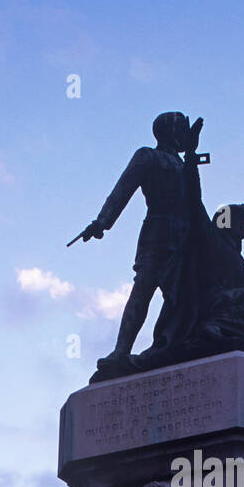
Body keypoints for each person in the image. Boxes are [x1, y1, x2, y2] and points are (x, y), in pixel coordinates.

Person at [76, 112, 204, 367]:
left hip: (185, 237)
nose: (184, 134)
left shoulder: (184, 163)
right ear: (169, 131)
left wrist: (191, 155)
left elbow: (195, 202)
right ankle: (120, 351)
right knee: (143, 290)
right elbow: (123, 189)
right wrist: (103, 222)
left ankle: (174, 344)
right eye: (181, 129)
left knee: (183, 297)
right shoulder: (148, 156)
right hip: (158, 233)